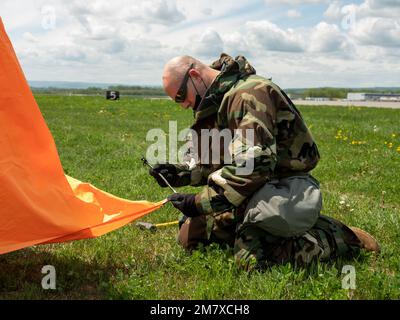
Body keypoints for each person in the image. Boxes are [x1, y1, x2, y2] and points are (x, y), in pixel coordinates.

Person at [149, 53, 380, 271]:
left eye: (181, 97)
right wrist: (180, 174)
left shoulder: (249, 94)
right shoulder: (217, 102)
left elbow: (251, 168)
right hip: (253, 188)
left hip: (283, 185)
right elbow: (218, 160)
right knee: (190, 235)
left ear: (195, 77)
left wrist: (199, 202)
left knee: (251, 258)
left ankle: (337, 235)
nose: (183, 105)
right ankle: (255, 227)